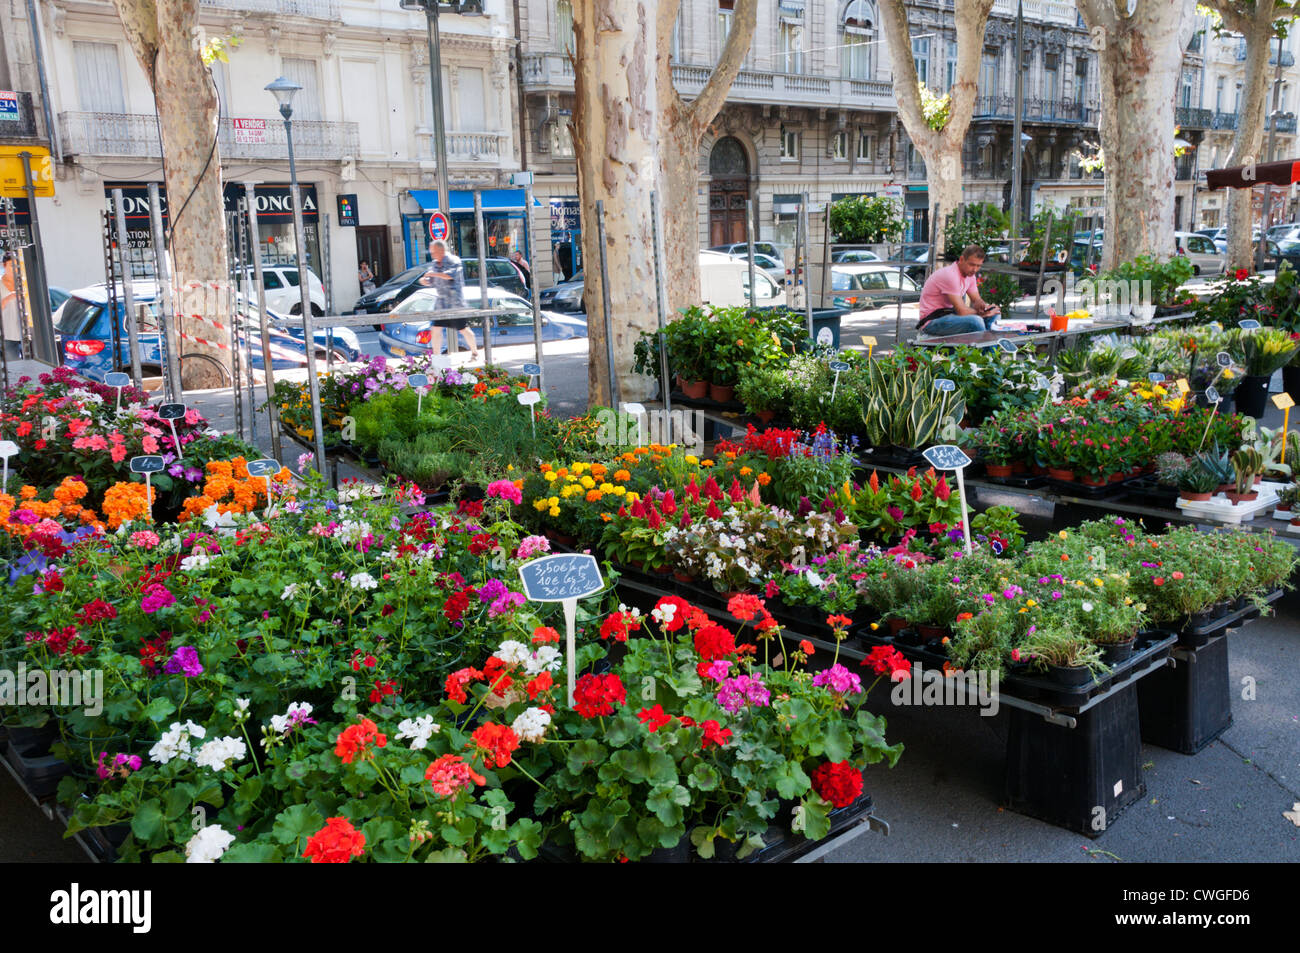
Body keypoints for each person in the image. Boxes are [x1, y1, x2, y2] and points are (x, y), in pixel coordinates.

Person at [916, 244, 1001, 336]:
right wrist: (983, 313)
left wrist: (985, 307)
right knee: (976, 321)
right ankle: (984, 349)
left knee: (995, 315)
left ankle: (989, 349)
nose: (975, 269)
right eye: (972, 264)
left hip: (950, 315)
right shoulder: (951, 275)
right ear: (961, 259)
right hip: (932, 321)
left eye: (978, 266)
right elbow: (962, 311)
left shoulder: (970, 275)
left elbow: (976, 300)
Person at [419, 239, 478, 362]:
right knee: (435, 329)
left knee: (463, 329)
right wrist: (423, 281)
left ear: (441, 250)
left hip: (455, 303)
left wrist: (433, 274)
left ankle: (475, 353)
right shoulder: (435, 264)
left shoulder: (453, 260)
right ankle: (437, 358)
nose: (432, 255)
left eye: (434, 252)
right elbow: (430, 280)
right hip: (441, 304)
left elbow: (449, 275)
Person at [1, 253, 22, 360]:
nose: (14, 269)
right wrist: (8, 297)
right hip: (7, 334)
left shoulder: (23, 283)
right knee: (13, 366)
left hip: (26, 333)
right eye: (11, 265)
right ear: (3, 265)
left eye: (16, 265)